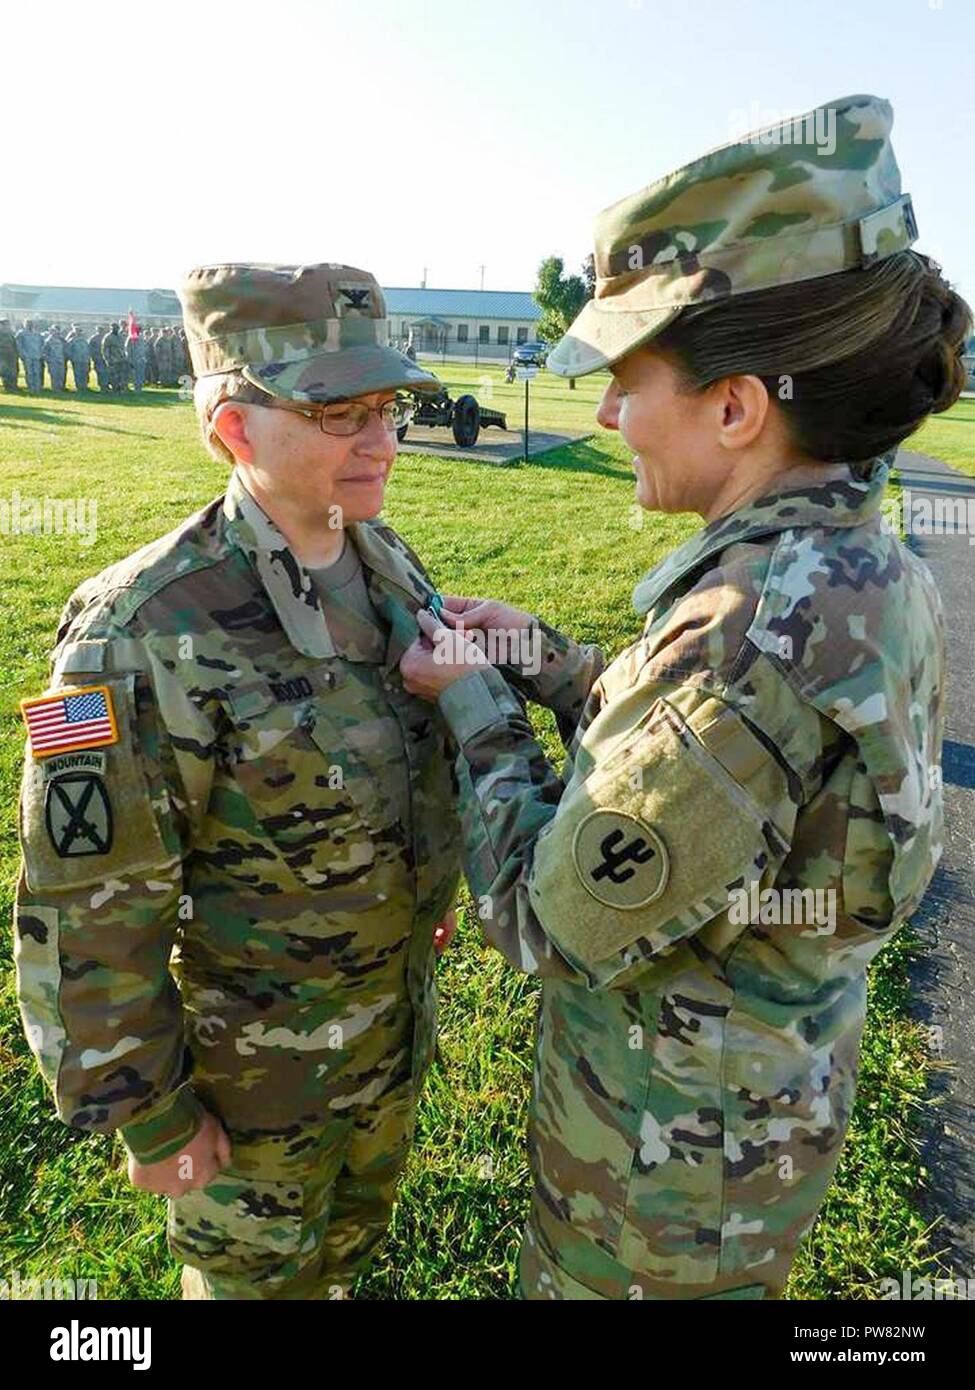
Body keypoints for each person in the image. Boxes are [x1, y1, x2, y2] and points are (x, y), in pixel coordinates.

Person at [400, 93, 971, 1300]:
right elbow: (736, 786)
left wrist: (473, 702)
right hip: (755, 1128)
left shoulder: (746, 632)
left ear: (734, 405)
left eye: (627, 380)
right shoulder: (851, 560)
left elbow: (545, 920)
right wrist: (550, 662)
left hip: (662, 1195)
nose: (606, 414)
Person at [13, 261, 461, 1300]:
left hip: (383, 1049)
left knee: (346, 1266)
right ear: (233, 429)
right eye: (339, 411)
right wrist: (150, 1113)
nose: (382, 438)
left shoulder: (386, 563)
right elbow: (84, 912)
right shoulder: (134, 632)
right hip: (248, 1097)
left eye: (387, 405)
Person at [16, 320, 43, 393]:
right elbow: (19, 345)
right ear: (24, 324)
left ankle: (37, 388)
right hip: (27, 356)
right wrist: (22, 354)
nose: (29, 325)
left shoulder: (37, 333)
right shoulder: (21, 333)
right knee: (29, 372)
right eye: (27, 324)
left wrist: (40, 353)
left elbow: (41, 344)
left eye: (31, 323)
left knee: (37, 372)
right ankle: (31, 388)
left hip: (36, 356)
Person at [42, 324, 68, 391]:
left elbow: (65, 349)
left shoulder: (61, 340)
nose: (56, 333)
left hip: (60, 360)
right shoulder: (48, 341)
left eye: (56, 332)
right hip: (53, 361)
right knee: (54, 375)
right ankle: (55, 388)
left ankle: (61, 387)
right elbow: (44, 352)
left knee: (61, 375)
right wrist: (48, 360)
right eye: (53, 331)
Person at [66, 323, 90, 392]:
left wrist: (88, 357)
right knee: (78, 374)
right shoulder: (72, 340)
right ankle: (79, 387)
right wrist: (72, 358)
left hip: (85, 359)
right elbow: (68, 350)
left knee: (85, 373)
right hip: (77, 360)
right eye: (76, 331)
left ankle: (84, 386)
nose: (78, 332)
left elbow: (88, 349)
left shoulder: (84, 340)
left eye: (79, 331)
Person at [89, 324, 111, 391]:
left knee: (107, 372)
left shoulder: (106, 337)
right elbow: (90, 348)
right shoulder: (93, 338)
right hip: (98, 358)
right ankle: (102, 386)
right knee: (100, 372)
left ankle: (106, 384)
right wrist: (93, 356)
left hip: (106, 358)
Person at [0, 317, 18, 390]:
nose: (6, 325)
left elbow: (14, 344)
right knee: (4, 371)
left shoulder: (11, 333)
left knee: (13, 371)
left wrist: (16, 353)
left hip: (11, 355)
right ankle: (7, 386)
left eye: (7, 324)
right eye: (4, 324)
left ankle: (13, 386)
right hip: (2, 355)